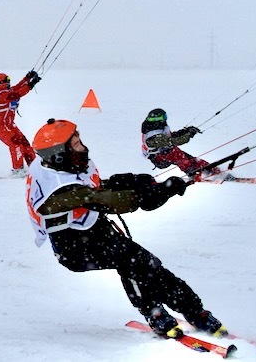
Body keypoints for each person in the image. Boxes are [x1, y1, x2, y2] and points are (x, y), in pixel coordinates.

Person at [27, 118, 227, 339]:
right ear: (59, 154)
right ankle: (155, 313)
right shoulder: (59, 190)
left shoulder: (57, 165)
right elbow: (110, 200)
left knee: (147, 264)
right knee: (135, 262)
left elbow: (94, 186)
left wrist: (131, 180)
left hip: (93, 230)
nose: (83, 147)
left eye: (80, 141)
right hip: (74, 249)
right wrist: (160, 191)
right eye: (76, 145)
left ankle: (194, 310)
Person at [0, 70, 41, 177]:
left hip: (9, 124)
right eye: (7, 81)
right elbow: (17, 94)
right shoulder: (0, 95)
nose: (9, 83)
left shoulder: (6, 91)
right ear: (0, 83)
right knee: (15, 143)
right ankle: (18, 169)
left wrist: (27, 78)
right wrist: (30, 85)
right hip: (0, 126)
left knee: (24, 142)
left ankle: (33, 165)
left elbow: (17, 88)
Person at [141, 108, 219, 177]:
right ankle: (192, 172)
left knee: (189, 158)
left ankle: (211, 170)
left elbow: (171, 137)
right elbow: (174, 141)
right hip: (159, 160)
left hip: (164, 152)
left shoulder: (155, 128)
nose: (165, 119)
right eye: (163, 117)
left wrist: (186, 131)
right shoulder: (152, 136)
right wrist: (189, 134)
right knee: (176, 154)